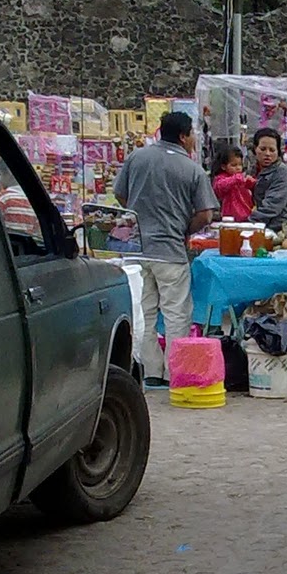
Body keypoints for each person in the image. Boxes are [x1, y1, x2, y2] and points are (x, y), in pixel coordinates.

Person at [113, 110, 215, 386]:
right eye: (192, 134)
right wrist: (184, 229)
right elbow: (206, 215)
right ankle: (174, 372)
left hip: (135, 249)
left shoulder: (137, 158)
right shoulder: (192, 169)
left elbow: (120, 194)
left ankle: (151, 371)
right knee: (176, 314)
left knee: (143, 313)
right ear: (183, 137)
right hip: (170, 252)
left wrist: (138, 216)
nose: (194, 139)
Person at [250, 127, 287, 227]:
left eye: (272, 150)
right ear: (255, 149)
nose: (267, 154)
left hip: (279, 230)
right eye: (263, 149)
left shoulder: (283, 173)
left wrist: (248, 224)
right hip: (260, 227)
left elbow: (271, 207)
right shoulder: (252, 171)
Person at [211, 145, 255, 222]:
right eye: (234, 165)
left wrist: (249, 182)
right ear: (224, 167)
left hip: (246, 213)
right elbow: (219, 187)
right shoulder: (221, 178)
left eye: (240, 164)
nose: (238, 168)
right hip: (230, 216)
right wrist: (236, 179)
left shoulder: (240, 178)